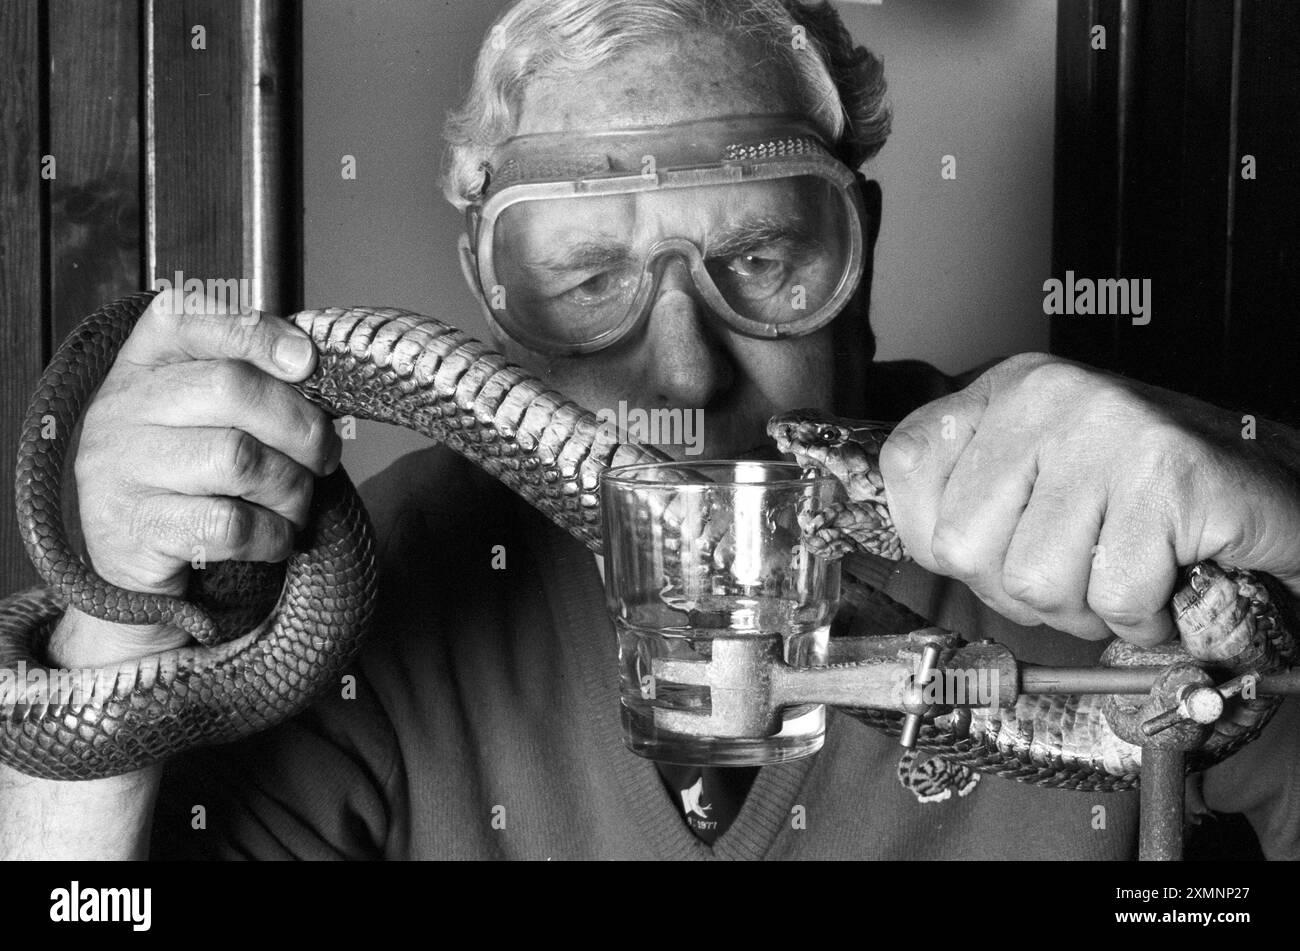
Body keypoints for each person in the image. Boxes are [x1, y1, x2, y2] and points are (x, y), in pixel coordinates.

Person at [4, 0, 1300, 861]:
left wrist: (1284, 529)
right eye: (582, 279)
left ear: (862, 253)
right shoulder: (386, 592)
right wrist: (111, 609)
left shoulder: (1084, 544)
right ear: (489, 298)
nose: (681, 364)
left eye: (759, 254)